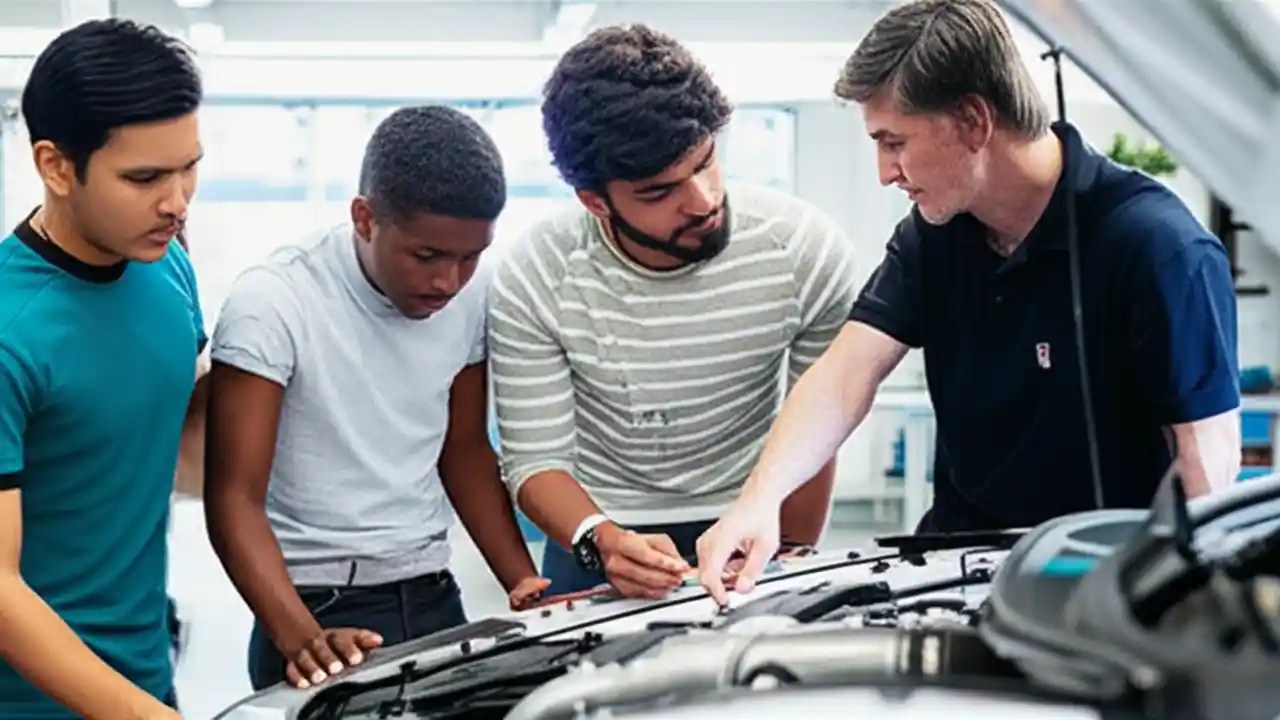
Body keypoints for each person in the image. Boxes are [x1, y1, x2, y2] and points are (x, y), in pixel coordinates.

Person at [696, 0, 1242, 605]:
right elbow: (845, 374)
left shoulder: (1158, 247)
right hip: (955, 565)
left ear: (974, 121)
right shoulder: (933, 235)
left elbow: (1205, 459)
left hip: (1104, 579)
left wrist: (1169, 601)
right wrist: (759, 501)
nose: (884, 172)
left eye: (893, 142)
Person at [489, 24, 860, 599]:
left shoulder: (804, 250)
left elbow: (818, 427)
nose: (704, 201)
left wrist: (791, 553)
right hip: (601, 530)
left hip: (754, 513)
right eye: (659, 193)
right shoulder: (534, 274)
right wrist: (602, 539)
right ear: (595, 202)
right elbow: (536, 462)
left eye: (706, 162)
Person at [204, 105, 549, 692]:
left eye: (471, 256)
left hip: (434, 594)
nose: (449, 281)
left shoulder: (471, 294)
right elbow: (233, 497)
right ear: (365, 218)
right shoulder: (273, 301)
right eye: (427, 256)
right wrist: (301, 638)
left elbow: (462, 448)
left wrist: (523, 582)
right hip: (311, 604)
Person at [0, 19, 205, 720]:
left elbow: (150, 436)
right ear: (56, 166)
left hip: (147, 675)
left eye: (189, 168)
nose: (177, 202)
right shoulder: (9, 329)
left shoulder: (168, 264)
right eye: (145, 177)